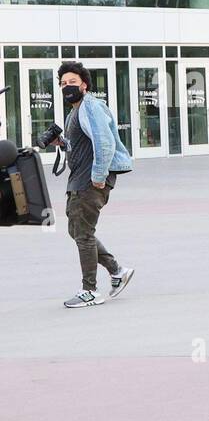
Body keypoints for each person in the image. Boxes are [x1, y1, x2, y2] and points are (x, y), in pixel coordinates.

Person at [57, 61, 134, 308]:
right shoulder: (76, 111)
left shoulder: (91, 106)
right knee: (78, 231)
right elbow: (82, 144)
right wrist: (62, 143)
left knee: (83, 234)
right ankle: (117, 270)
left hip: (90, 180)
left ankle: (90, 290)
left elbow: (104, 143)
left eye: (72, 82)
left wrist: (99, 176)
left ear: (84, 85)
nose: (67, 87)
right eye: (63, 84)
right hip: (79, 178)